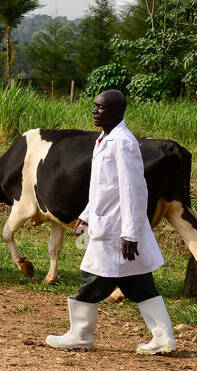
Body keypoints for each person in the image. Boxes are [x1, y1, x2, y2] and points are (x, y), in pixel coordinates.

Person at [46, 89, 177, 355]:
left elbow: (133, 189)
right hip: (107, 224)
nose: (95, 111)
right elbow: (103, 188)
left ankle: (80, 335)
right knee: (139, 284)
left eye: (101, 108)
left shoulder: (123, 143)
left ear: (118, 111)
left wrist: (130, 233)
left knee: (92, 278)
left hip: (117, 231)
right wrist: (85, 215)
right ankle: (163, 339)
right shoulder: (105, 139)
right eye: (94, 106)